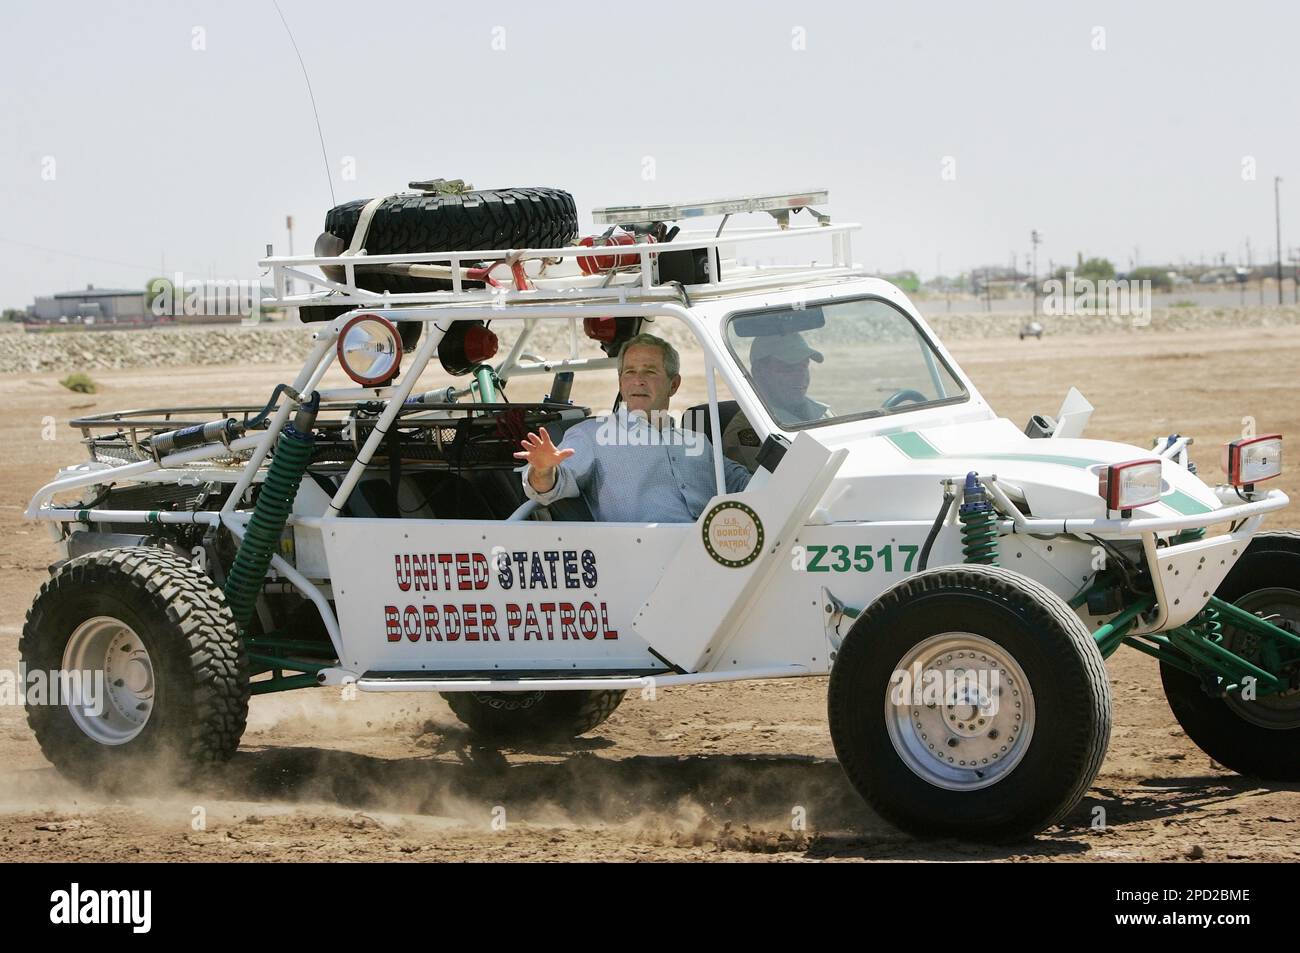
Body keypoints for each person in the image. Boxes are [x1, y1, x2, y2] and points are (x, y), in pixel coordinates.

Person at [515, 333, 751, 522]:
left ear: (674, 384)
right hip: (644, 560)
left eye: (649, 371)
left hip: (719, 551)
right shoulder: (592, 435)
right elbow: (546, 488)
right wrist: (543, 469)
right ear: (621, 382)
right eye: (630, 372)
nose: (638, 380)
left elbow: (745, 484)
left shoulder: (697, 442)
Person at [723, 331, 832, 470]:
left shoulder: (823, 413)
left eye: (804, 366)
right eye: (788, 368)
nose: (801, 377)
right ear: (759, 372)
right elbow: (782, 483)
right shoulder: (748, 429)